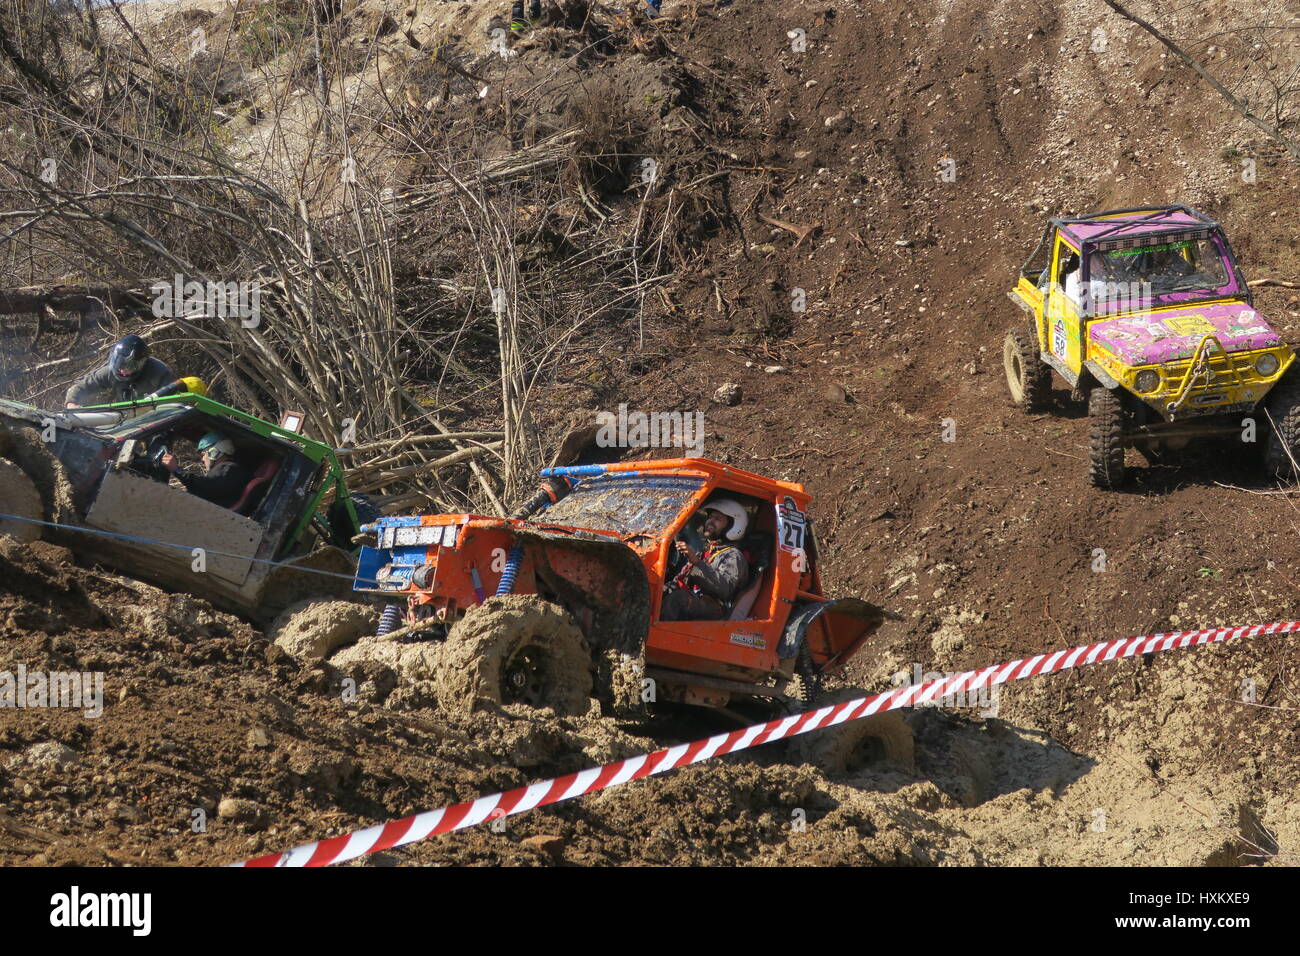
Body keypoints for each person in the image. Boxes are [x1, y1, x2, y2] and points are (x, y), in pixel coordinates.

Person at [661, 499, 750, 621]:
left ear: (733, 526)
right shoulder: (705, 552)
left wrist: (697, 562)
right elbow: (681, 580)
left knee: (679, 599)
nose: (710, 521)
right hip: (694, 598)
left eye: (717, 519)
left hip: (714, 607)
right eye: (710, 517)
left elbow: (724, 588)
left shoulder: (733, 555)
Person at [65, 334, 174, 408]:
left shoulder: (159, 372)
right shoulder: (111, 372)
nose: (122, 369)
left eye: (130, 365)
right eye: (119, 362)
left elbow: (174, 404)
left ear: (142, 363)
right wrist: (71, 403)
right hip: (126, 418)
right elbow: (80, 385)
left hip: (156, 418)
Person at [161, 431, 252, 510]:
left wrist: (177, 470)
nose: (202, 459)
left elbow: (203, 486)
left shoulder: (228, 469)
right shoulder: (230, 469)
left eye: (204, 454)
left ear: (214, 452)